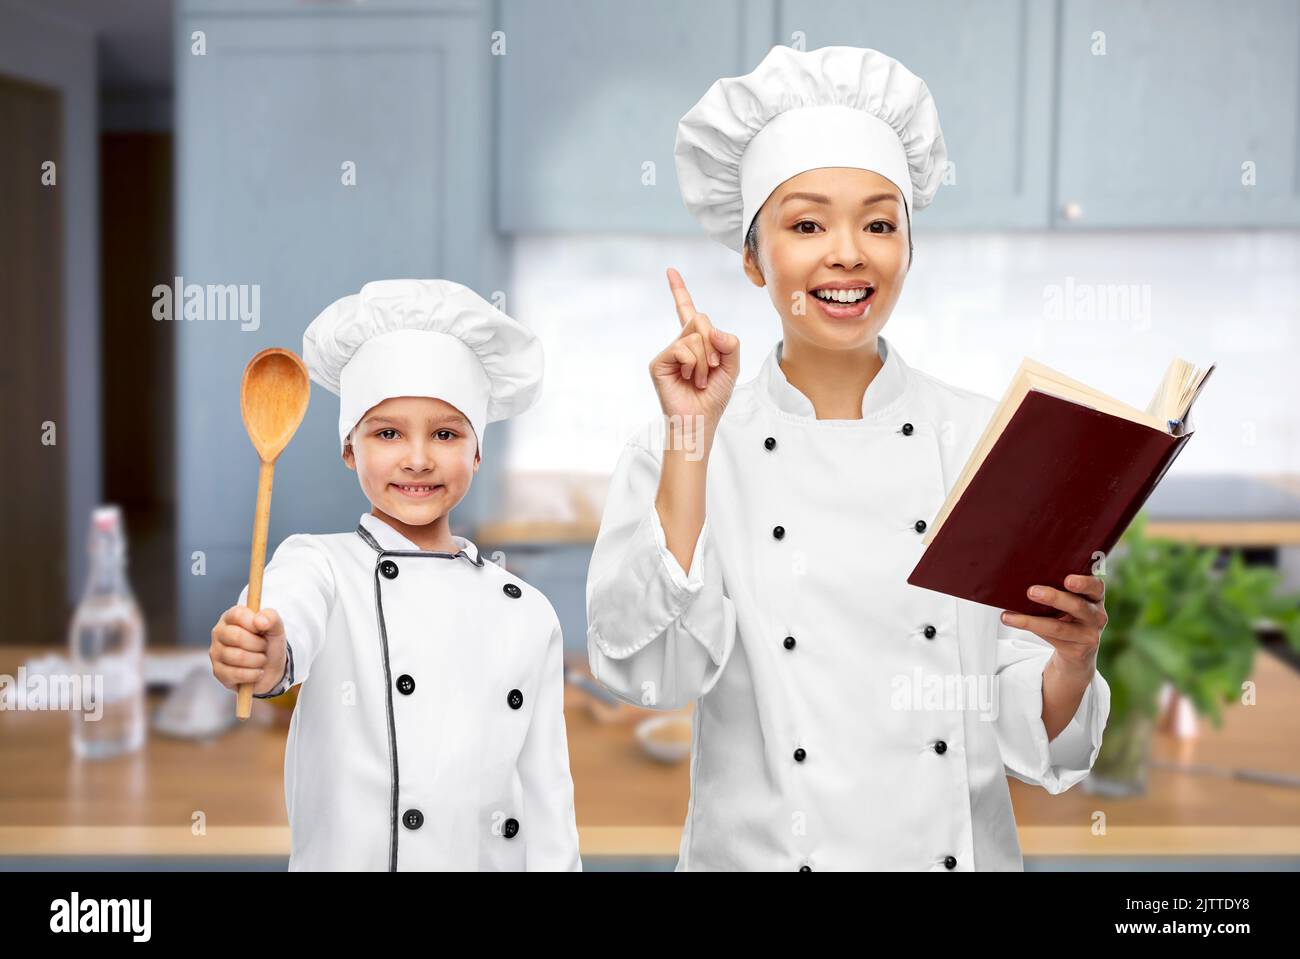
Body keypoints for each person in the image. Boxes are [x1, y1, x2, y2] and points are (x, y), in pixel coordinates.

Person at [585, 45, 1111, 871]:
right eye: (805, 224)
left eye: (878, 223)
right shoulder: (683, 442)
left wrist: (1072, 662)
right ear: (754, 259)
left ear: (908, 246)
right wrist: (692, 435)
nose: (848, 253)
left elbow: (1021, 726)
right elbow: (651, 672)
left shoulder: (986, 440)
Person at [210, 279, 581, 871]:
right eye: (387, 433)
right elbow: (287, 620)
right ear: (349, 447)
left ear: (477, 450)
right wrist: (266, 651)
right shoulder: (321, 564)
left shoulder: (527, 611)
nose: (417, 458)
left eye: (445, 433)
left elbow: (547, 797)